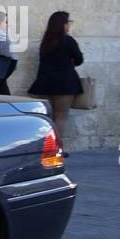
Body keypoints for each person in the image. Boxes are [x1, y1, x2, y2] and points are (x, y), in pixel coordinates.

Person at [28, 11, 84, 151]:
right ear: (63, 24)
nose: (69, 25)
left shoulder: (45, 42)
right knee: (61, 116)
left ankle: (44, 147)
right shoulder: (68, 40)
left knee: (47, 117)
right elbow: (79, 59)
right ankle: (55, 149)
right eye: (68, 22)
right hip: (64, 83)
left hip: (45, 83)